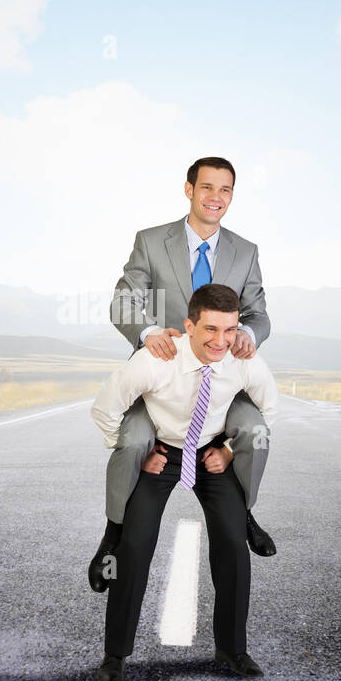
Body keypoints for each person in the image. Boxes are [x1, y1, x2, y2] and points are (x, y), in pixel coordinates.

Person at [88, 156, 275, 597]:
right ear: (188, 189)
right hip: (163, 377)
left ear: (232, 196)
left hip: (220, 376)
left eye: (225, 190)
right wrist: (149, 333)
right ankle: (113, 532)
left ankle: (243, 511)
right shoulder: (152, 242)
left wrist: (246, 333)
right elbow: (122, 302)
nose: (216, 198)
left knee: (257, 432)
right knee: (133, 442)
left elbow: (260, 315)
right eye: (207, 187)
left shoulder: (246, 251)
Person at [89, 283, 278, 681]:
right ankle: (115, 656)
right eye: (210, 329)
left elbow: (269, 410)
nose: (221, 341)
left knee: (231, 544)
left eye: (229, 330)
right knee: (134, 547)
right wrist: (140, 456)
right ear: (189, 326)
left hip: (210, 452)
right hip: (163, 452)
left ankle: (232, 650)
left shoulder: (243, 359)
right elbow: (105, 408)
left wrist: (227, 450)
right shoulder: (155, 360)